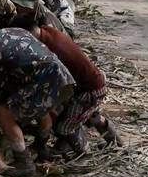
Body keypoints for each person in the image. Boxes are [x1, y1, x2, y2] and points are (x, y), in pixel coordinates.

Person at [0, 14, 75, 177]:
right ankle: (41, 147)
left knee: (2, 112)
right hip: (64, 78)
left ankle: (24, 161)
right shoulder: (16, 30)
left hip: (44, 81)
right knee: (40, 106)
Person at [34, 19, 117, 155]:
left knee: (64, 127)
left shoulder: (49, 51)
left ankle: (84, 151)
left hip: (89, 90)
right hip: (91, 83)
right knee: (80, 114)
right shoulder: (48, 31)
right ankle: (113, 139)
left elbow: (61, 86)